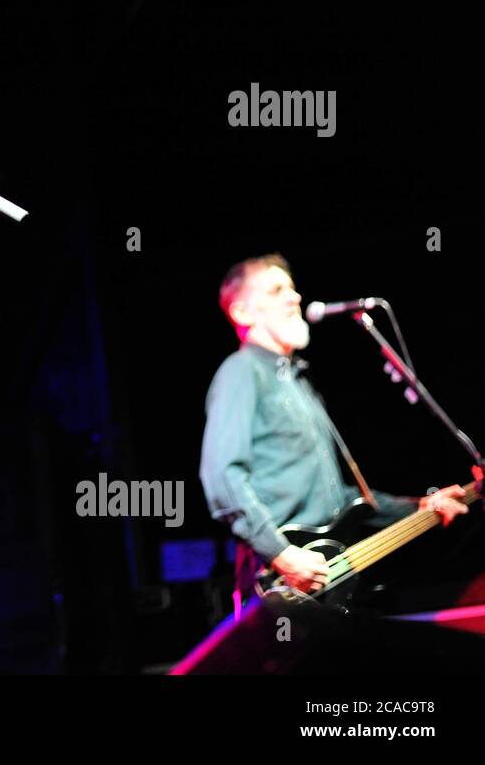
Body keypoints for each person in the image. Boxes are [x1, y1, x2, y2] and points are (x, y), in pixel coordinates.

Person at [198, 253, 467, 603]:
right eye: (277, 290)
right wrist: (281, 552)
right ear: (242, 313)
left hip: (327, 576)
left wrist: (420, 507)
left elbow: (337, 499)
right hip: (283, 584)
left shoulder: (299, 383)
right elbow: (221, 475)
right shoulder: (241, 371)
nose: (294, 297)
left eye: (292, 289)